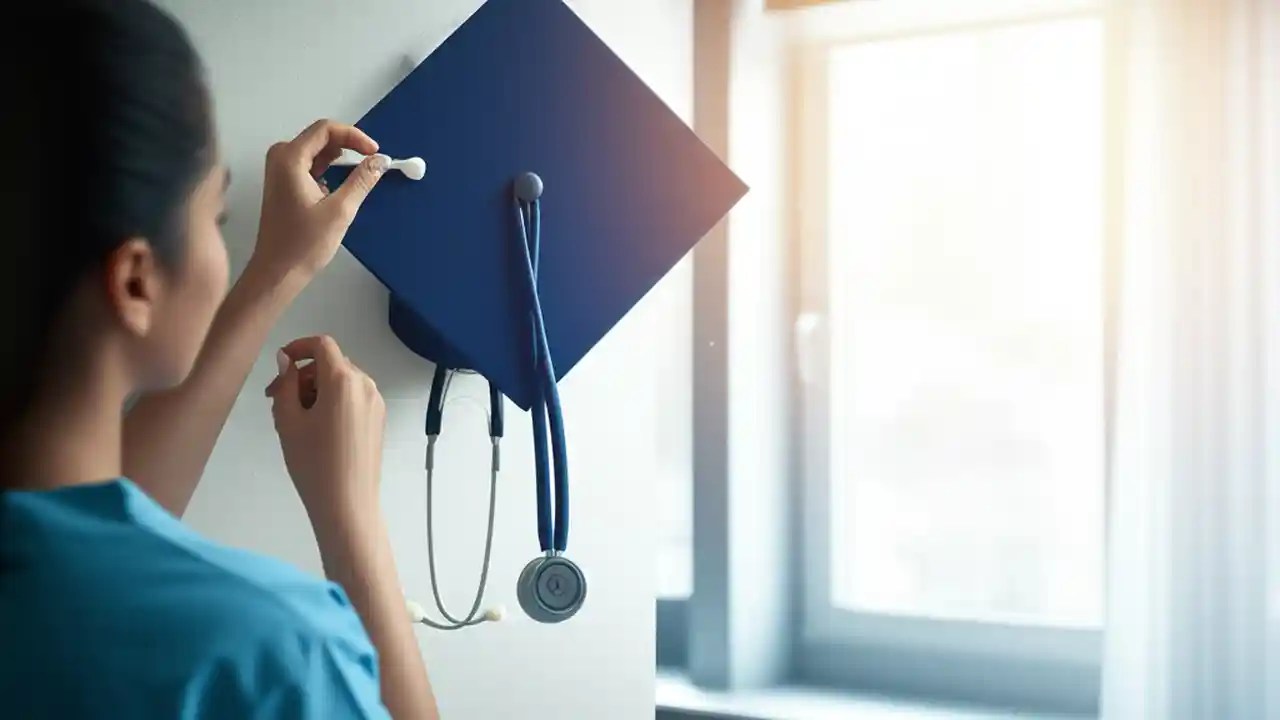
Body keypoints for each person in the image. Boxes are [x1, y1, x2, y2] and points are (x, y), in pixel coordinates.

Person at [0, 1, 437, 718]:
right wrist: (350, 512)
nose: (220, 242)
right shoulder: (271, 656)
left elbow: (87, 550)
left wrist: (276, 273)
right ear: (137, 279)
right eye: (217, 217)